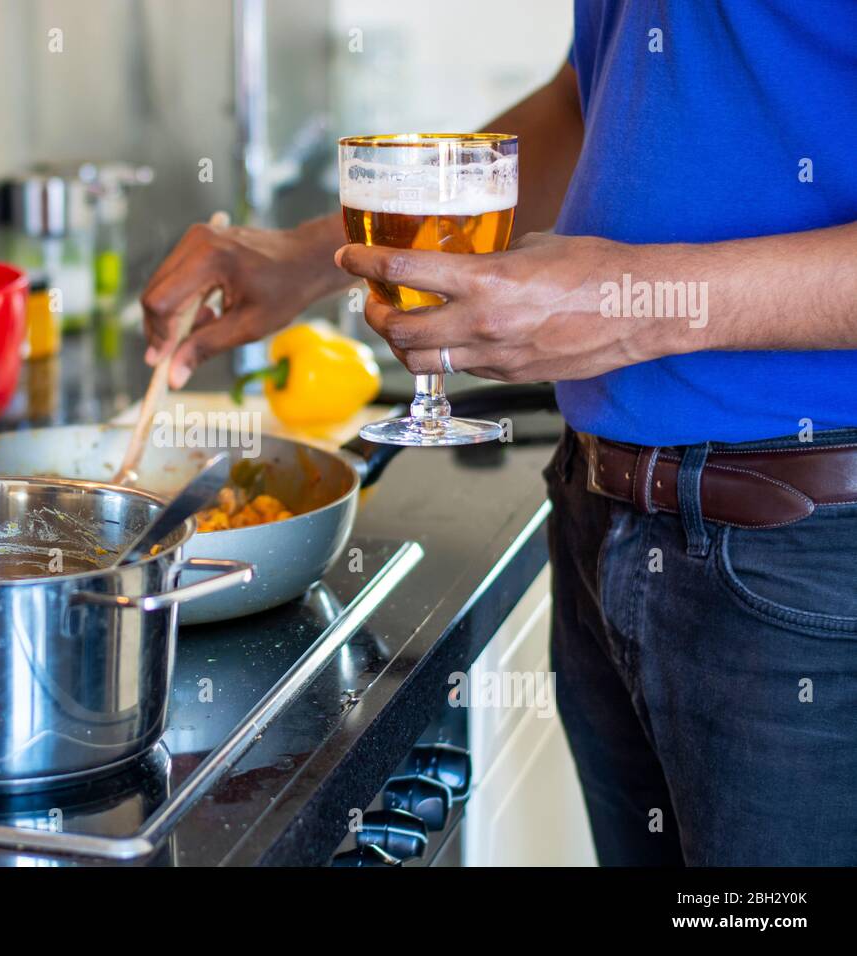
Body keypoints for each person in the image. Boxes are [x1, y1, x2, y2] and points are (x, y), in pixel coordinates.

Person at [140, 0, 857, 866]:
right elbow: (579, 103)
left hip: (811, 558)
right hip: (603, 512)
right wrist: (309, 255)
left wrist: (632, 304)